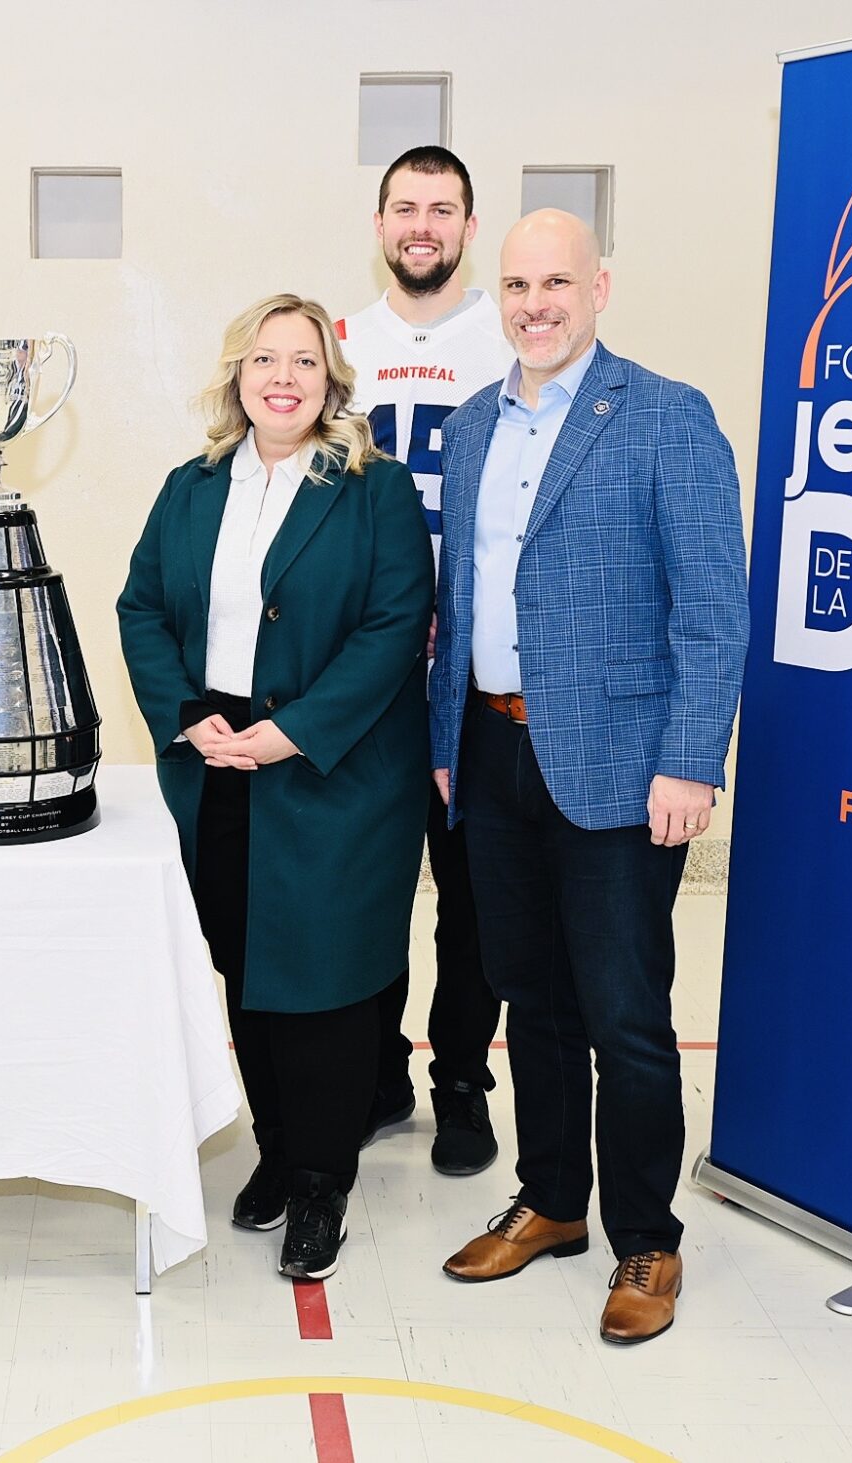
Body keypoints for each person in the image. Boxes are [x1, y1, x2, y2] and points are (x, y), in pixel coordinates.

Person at [429, 211, 747, 1344]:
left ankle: (645, 1240)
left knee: (625, 1017)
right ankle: (552, 1198)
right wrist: (442, 736)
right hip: (493, 750)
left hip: (620, 767)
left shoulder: (665, 417)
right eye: (514, 283)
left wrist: (687, 760)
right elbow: (458, 602)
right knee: (533, 998)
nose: (533, 303)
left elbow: (713, 611)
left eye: (555, 280)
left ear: (598, 285)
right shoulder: (471, 426)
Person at [118, 294, 432, 1280]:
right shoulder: (189, 484)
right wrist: (181, 711)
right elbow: (139, 606)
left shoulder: (372, 489)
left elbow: (393, 622)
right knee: (248, 972)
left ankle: (319, 1180)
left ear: (330, 381)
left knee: (324, 989)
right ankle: (274, 1147)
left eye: (302, 360)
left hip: (330, 771)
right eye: (264, 359)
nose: (282, 377)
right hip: (214, 758)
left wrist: (291, 732)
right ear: (236, 376)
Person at [336, 145, 515, 1174]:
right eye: (404, 207)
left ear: (466, 226)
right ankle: (373, 1072)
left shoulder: (511, 334)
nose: (421, 226)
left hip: (473, 664)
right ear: (378, 223)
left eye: (440, 209)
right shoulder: (340, 343)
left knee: (471, 892)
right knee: (364, 879)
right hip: (369, 667)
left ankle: (460, 1083)